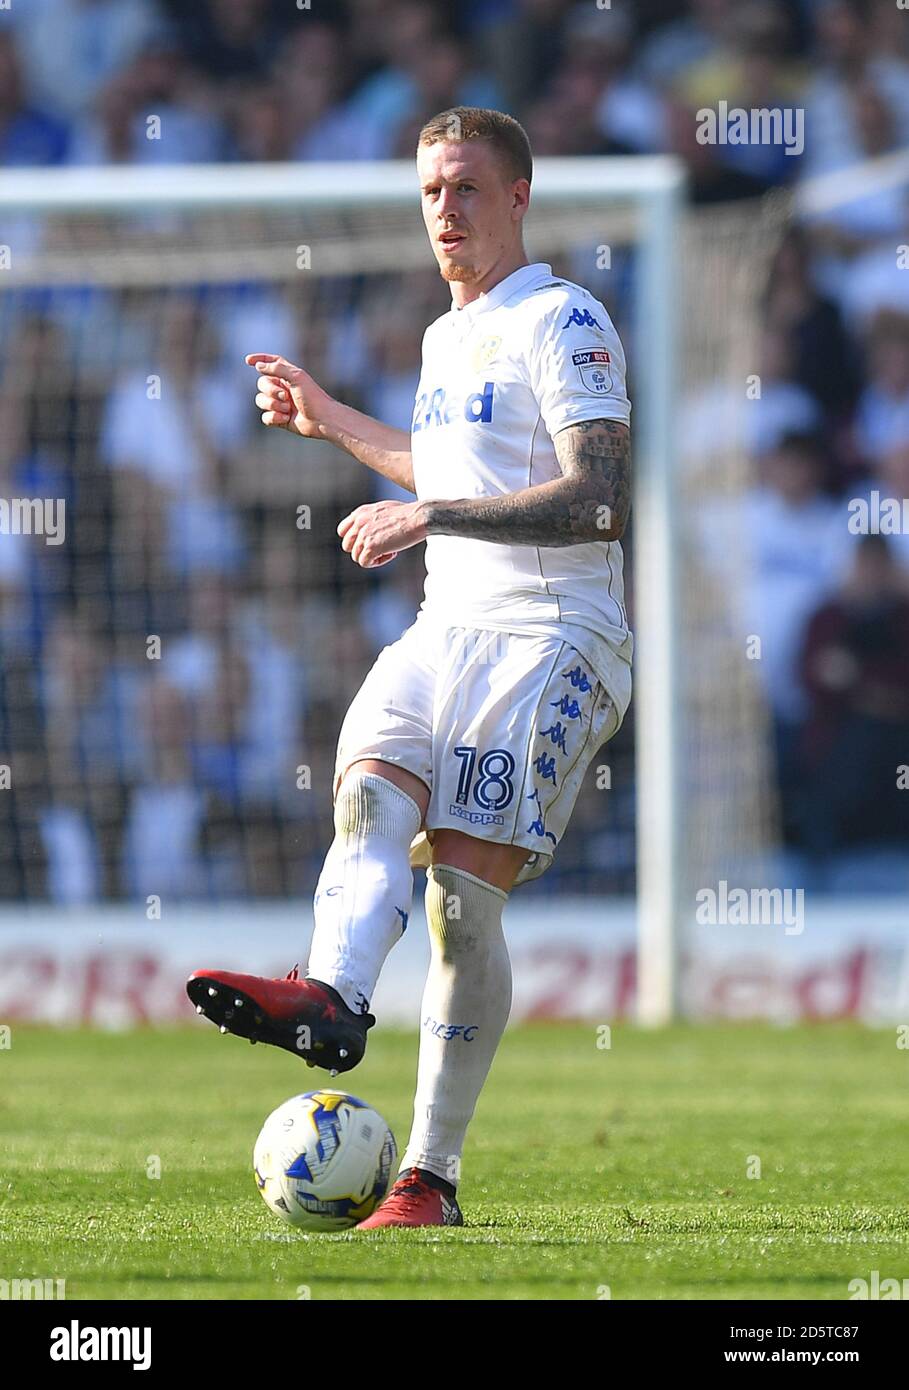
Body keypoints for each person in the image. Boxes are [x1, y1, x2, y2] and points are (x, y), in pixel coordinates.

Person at [187, 106, 633, 1228]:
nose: (447, 208)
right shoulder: (446, 337)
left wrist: (430, 513)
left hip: (552, 636)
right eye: (432, 189)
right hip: (449, 624)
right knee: (369, 791)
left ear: (519, 195)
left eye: (469, 187)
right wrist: (333, 422)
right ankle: (332, 996)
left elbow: (600, 495)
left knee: (461, 911)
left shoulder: (563, 317)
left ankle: (428, 1179)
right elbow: (435, 457)